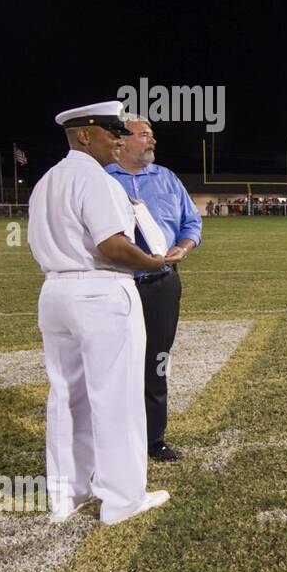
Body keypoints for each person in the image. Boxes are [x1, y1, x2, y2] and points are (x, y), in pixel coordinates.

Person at [27, 101, 176, 524]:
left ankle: (66, 495)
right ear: (85, 135)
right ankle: (122, 500)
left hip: (55, 292)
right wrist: (152, 262)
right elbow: (111, 246)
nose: (118, 139)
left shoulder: (46, 181)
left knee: (66, 397)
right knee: (117, 397)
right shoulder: (96, 181)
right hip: (101, 291)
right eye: (111, 131)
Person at [106, 115, 203, 461]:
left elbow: (192, 222)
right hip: (114, 284)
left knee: (157, 360)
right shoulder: (101, 178)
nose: (152, 141)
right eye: (145, 135)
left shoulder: (167, 179)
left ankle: (153, 439)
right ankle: (113, 439)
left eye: (152, 135)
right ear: (122, 139)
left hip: (162, 283)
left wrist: (185, 246)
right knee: (113, 362)